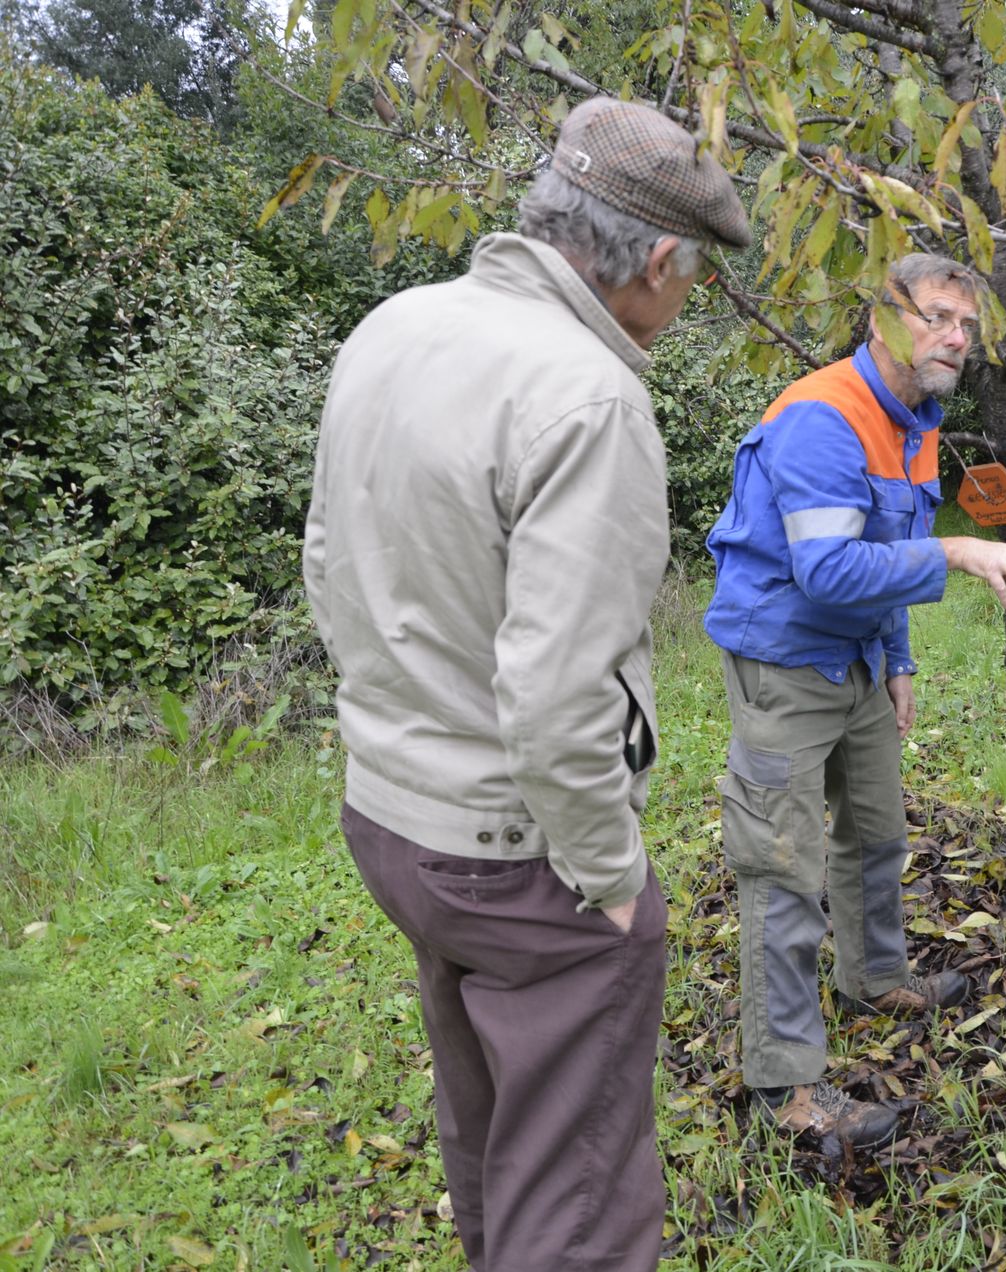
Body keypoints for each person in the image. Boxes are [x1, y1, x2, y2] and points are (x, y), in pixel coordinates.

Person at [302, 99, 749, 1270]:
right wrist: (610, 883)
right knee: (581, 1194)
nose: (684, 303)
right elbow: (560, 691)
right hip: (519, 855)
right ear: (657, 262)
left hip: (392, 814)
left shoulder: (395, 327)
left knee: (493, 1126)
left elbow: (324, 561)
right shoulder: (589, 396)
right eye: (691, 278)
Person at [704, 253, 1006, 1147]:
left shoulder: (916, 419)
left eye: (968, 326)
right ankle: (787, 1089)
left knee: (877, 832)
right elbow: (825, 570)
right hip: (785, 664)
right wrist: (956, 553)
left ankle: (875, 976)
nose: (956, 338)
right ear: (883, 318)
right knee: (785, 870)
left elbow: (883, 541)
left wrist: (897, 658)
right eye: (938, 316)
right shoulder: (823, 417)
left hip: (860, 662)